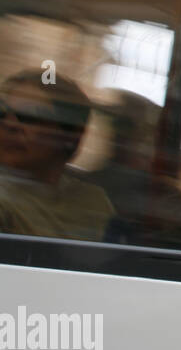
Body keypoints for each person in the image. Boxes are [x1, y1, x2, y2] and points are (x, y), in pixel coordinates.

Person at [0, 70, 115, 242]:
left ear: (71, 135)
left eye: (29, 116)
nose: (9, 125)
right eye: (2, 114)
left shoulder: (93, 202)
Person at [80, 90, 181, 249]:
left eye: (127, 126)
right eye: (119, 125)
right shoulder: (89, 185)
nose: (120, 135)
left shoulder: (164, 193)